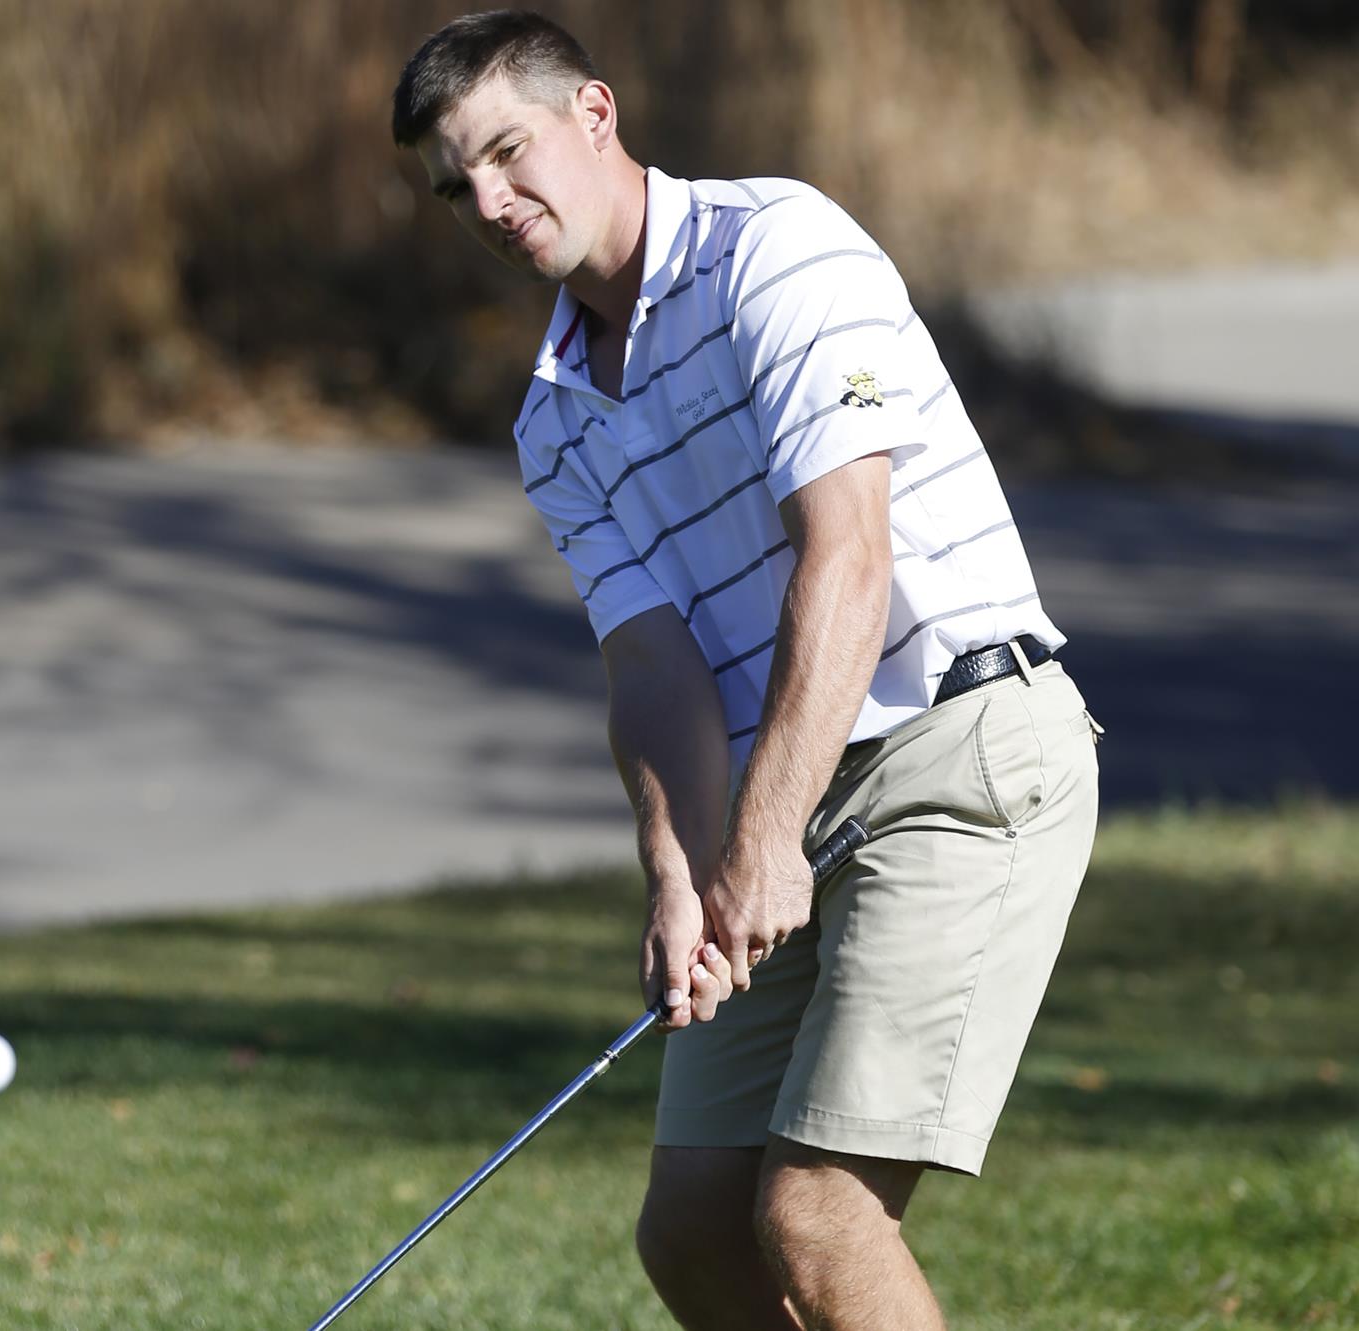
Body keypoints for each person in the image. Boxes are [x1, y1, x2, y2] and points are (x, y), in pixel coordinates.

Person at [391, 11, 1102, 1330]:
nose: (488, 201)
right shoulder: (552, 417)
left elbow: (849, 557)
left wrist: (763, 840)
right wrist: (681, 872)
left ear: (594, 115)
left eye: (506, 152)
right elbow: (652, 664)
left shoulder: (773, 248)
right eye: (455, 186)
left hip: (957, 749)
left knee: (816, 1213)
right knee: (697, 1238)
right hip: (792, 780)